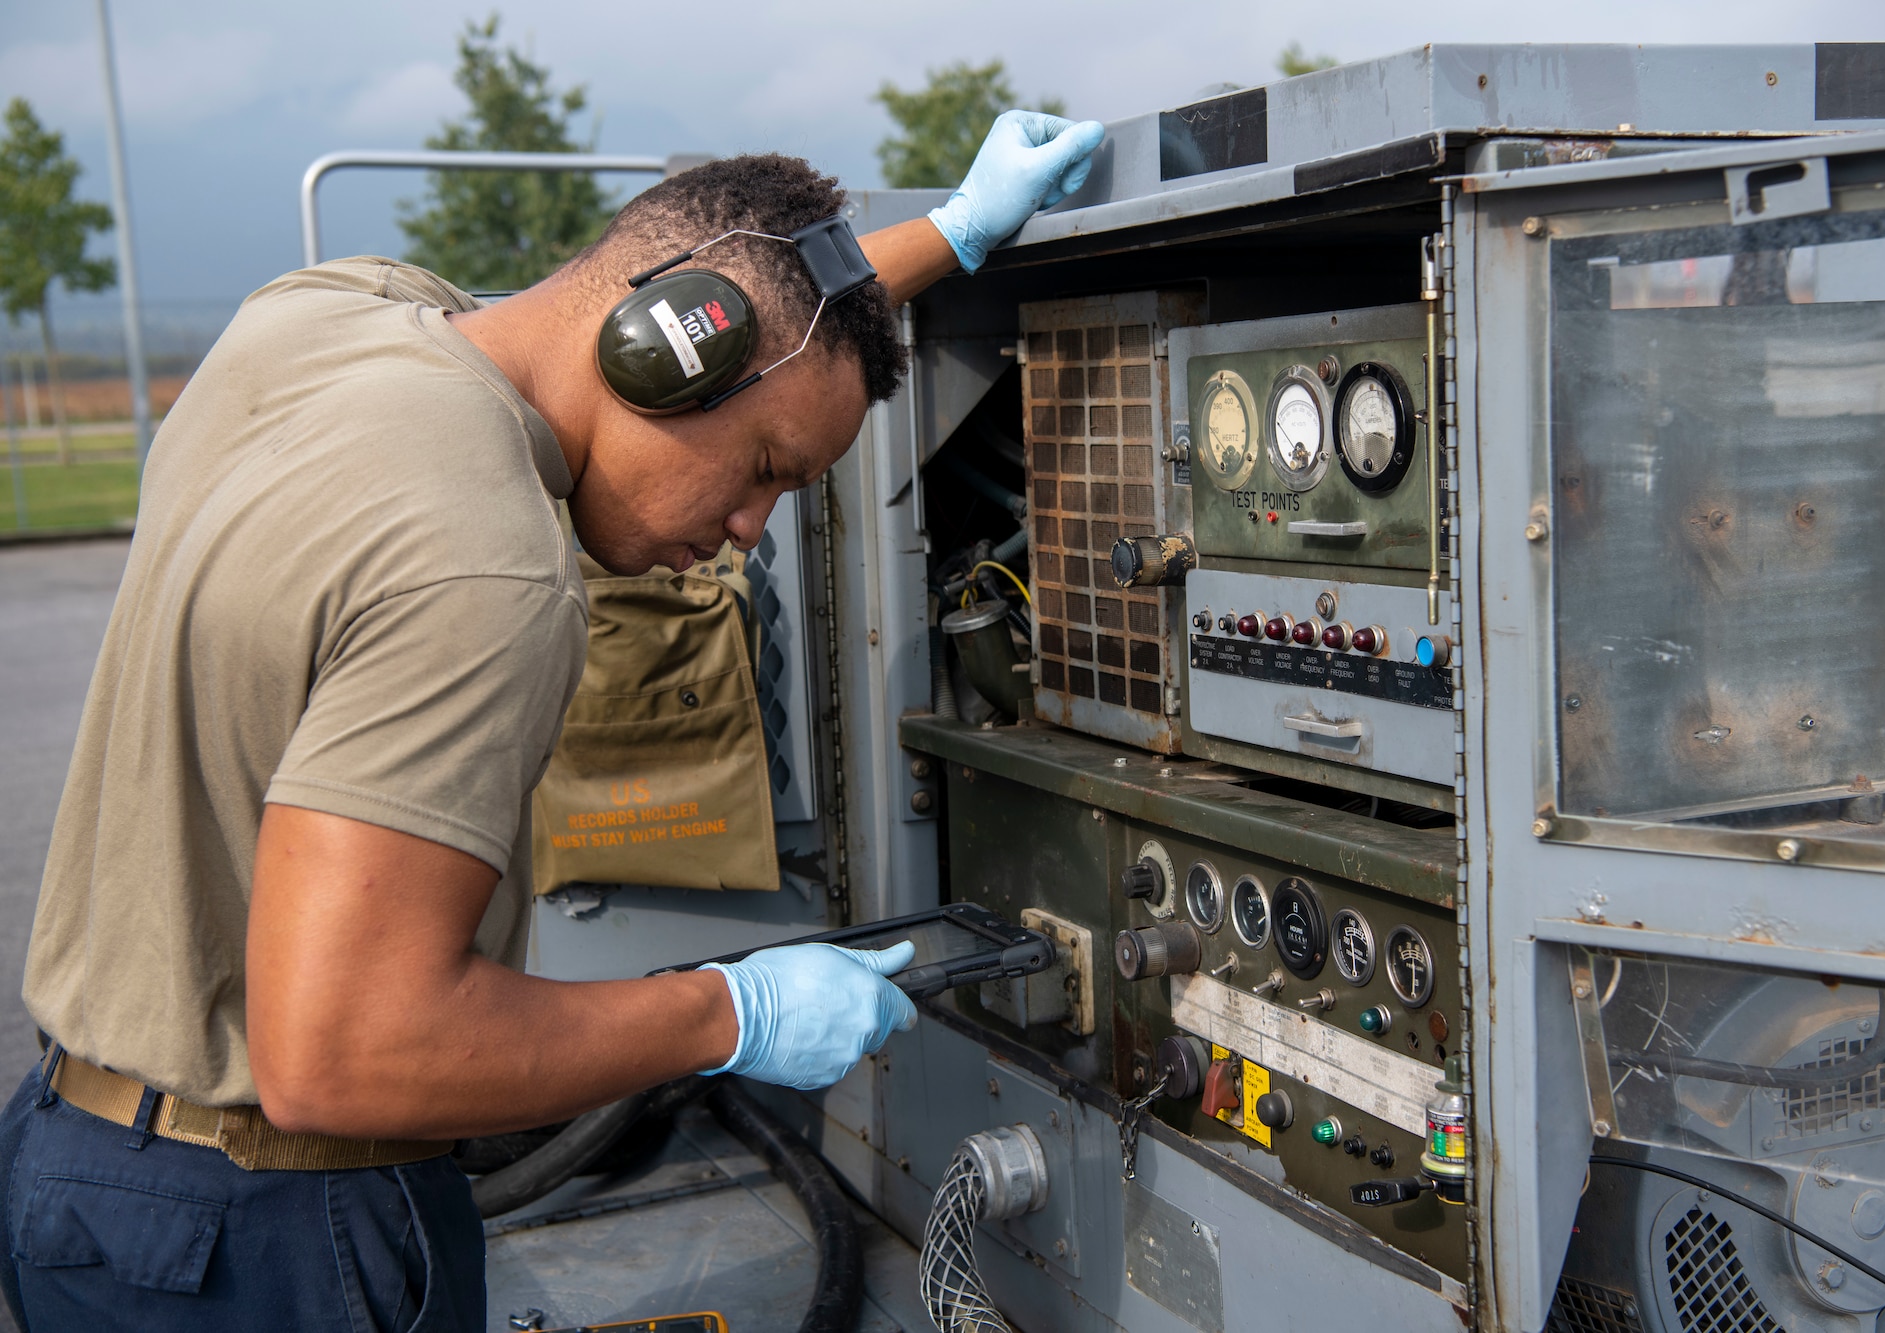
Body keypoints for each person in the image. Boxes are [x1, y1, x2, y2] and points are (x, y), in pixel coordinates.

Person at [1, 110, 1105, 1330]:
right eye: (767, 470)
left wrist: (943, 236)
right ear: (665, 364)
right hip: (265, 1240)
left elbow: (660, 313)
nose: (751, 532)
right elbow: (344, 1053)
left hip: (81, 1169)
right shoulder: (489, 569)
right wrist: (730, 1013)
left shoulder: (320, 318)